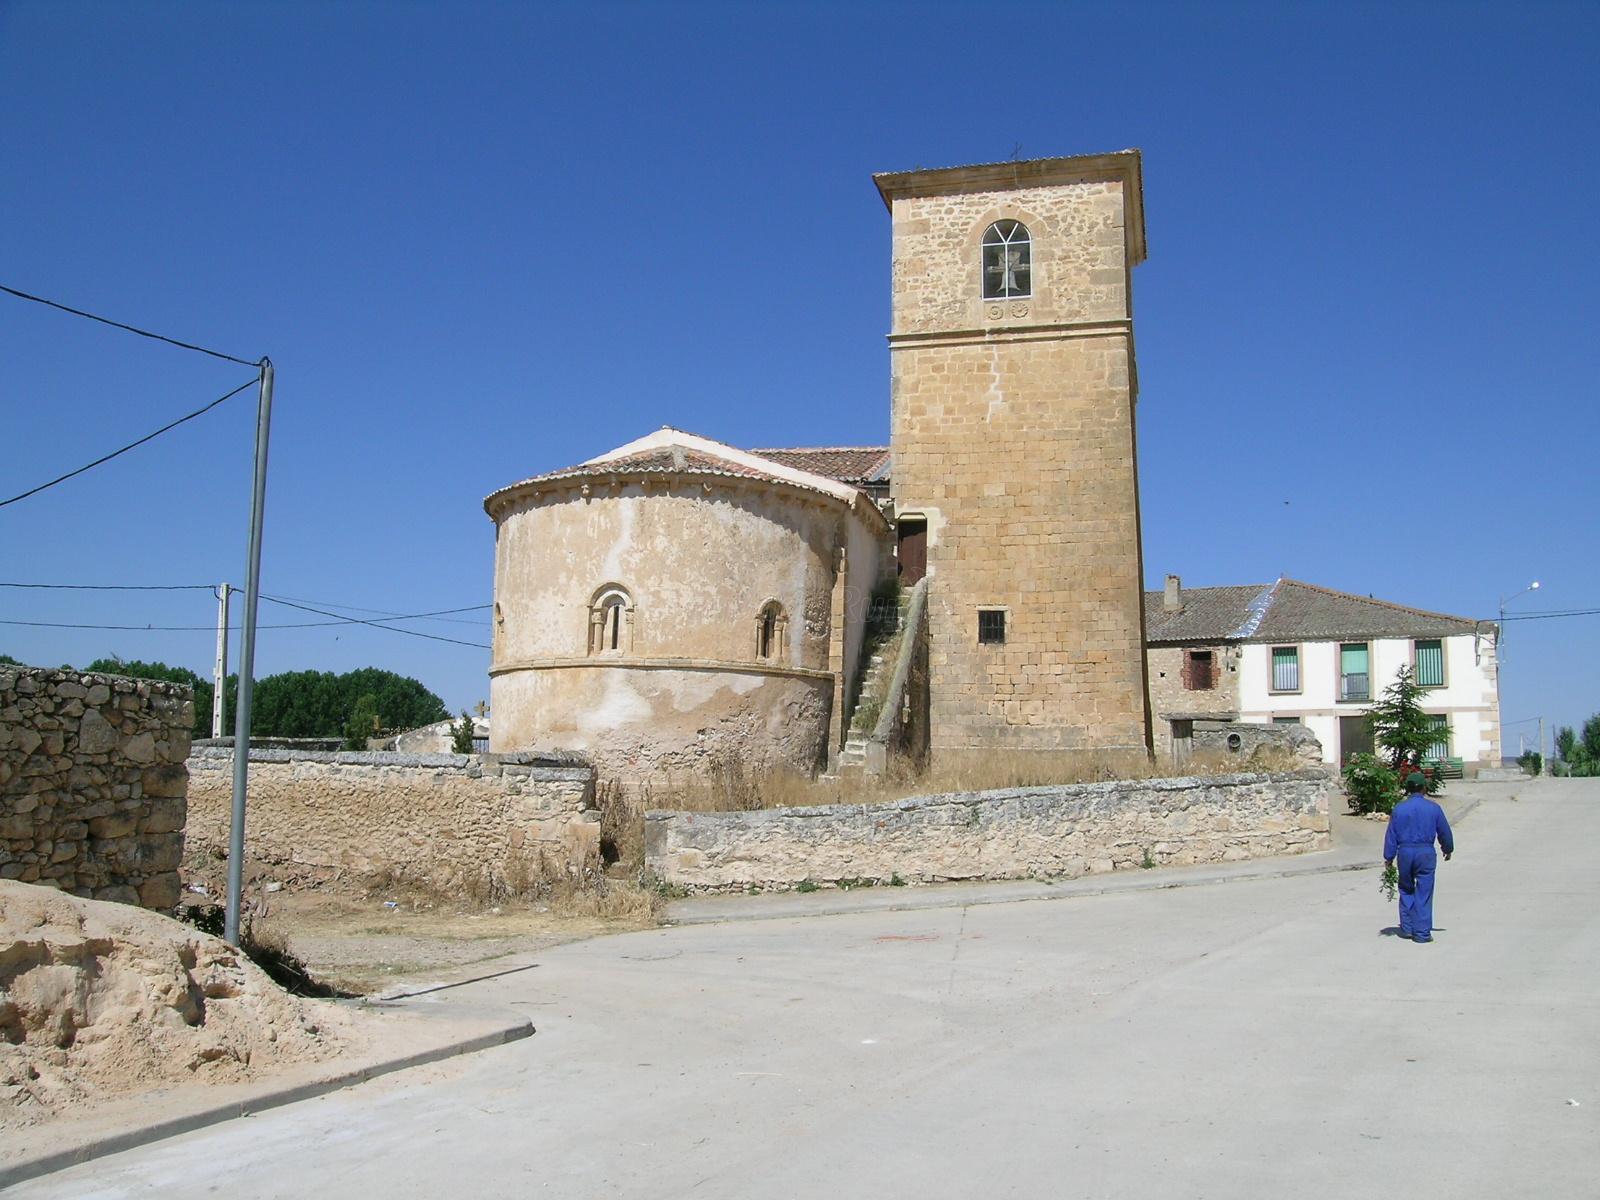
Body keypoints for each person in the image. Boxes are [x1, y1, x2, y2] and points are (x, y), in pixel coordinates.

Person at [1383, 772, 1454, 942]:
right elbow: (1444, 831)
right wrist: (1447, 848)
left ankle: (1407, 927)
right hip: (1425, 852)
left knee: (1406, 888)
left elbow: (1391, 834)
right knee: (1424, 891)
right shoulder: (1433, 808)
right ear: (1423, 787)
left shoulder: (1399, 808)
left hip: (1405, 852)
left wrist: (1388, 857)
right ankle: (1422, 933)